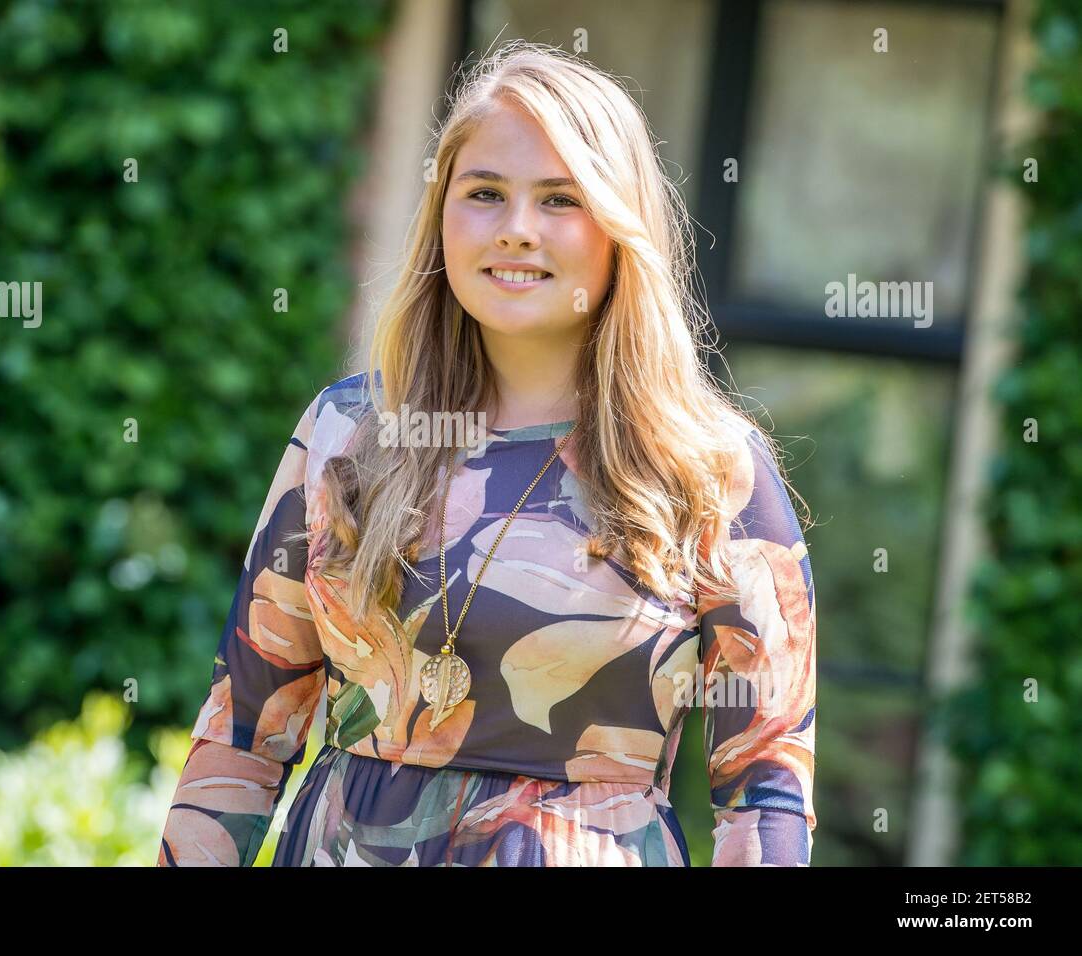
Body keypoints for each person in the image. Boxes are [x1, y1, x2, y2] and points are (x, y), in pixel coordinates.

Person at [157, 40, 817, 867]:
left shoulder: (710, 468)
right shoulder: (347, 431)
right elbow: (243, 735)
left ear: (620, 228)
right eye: (485, 193)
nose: (516, 230)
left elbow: (765, 790)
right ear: (441, 216)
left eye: (558, 199)